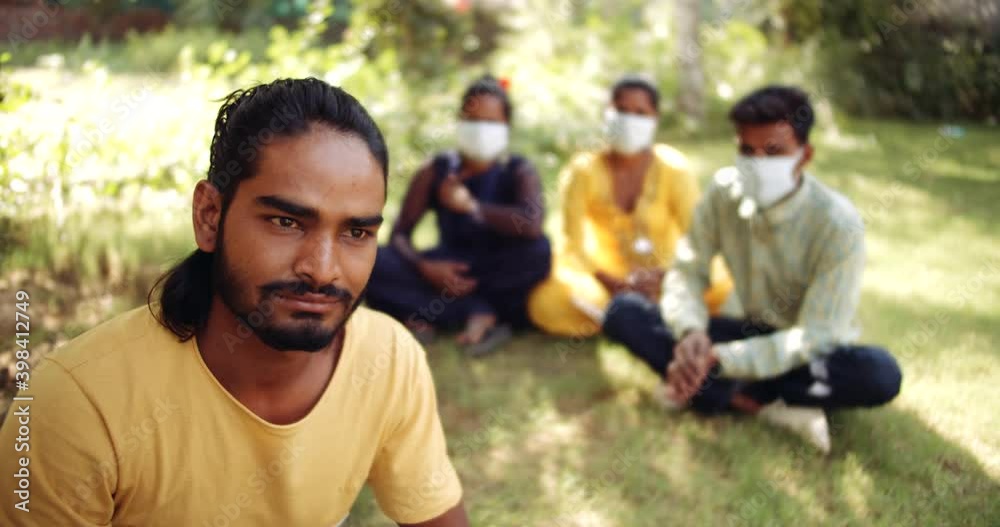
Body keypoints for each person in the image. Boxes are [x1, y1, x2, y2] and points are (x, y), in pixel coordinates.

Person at [0, 78, 468, 526]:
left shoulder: (388, 360)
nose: (323, 269)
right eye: (286, 222)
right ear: (209, 216)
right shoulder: (77, 404)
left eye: (356, 232)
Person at [602, 85, 903, 453]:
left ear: (804, 156)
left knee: (879, 373)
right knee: (623, 312)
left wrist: (720, 359)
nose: (758, 162)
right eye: (747, 150)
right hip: (742, 331)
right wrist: (691, 333)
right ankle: (761, 402)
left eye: (773, 151)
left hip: (803, 352)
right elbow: (687, 270)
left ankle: (714, 389)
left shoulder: (837, 225)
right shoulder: (723, 193)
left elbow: (815, 335)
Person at [527, 75, 731, 337]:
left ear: (654, 118)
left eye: (640, 112)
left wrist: (665, 277)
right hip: (605, 279)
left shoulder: (674, 168)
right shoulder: (583, 170)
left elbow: (698, 237)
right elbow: (572, 244)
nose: (629, 119)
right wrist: (611, 283)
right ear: (606, 114)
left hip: (669, 274)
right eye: (621, 110)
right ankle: (639, 314)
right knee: (548, 301)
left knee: (724, 288)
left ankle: (625, 316)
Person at [366, 75, 551, 356]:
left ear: (506, 127)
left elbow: (531, 226)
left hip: (496, 269)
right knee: (372, 260)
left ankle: (437, 314)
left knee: (540, 252)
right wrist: (424, 267)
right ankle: (482, 313)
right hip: (446, 268)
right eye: (473, 120)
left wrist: (473, 207)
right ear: (460, 122)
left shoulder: (518, 170)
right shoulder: (436, 170)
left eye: (490, 122)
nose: (481, 129)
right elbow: (400, 235)